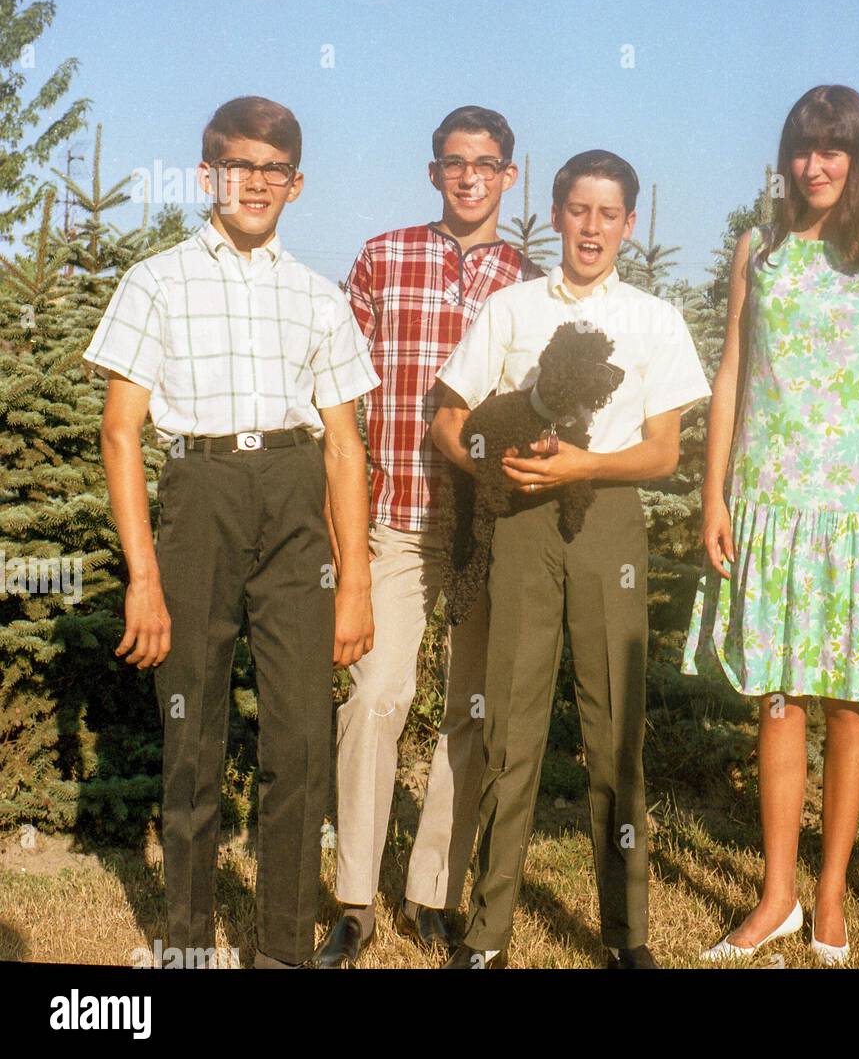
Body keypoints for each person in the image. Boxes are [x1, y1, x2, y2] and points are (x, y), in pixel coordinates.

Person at [84, 96, 380, 969]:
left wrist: (354, 585)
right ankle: (185, 943)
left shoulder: (318, 298)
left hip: (295, 507)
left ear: (297, 183)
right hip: (201, 498)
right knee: (194, 728)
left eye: (273, 169)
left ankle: (282, 950)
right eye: (238, 166)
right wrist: (144, 576)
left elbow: (343, 447)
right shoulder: (158, 280)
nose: (256, 183)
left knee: (298, 738)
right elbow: (121, 432)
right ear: (208, 172)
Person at [431, 150, 710, 969]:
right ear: (556, 215)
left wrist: (584, 465)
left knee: (613, 725)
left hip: (607, 522)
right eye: (578, 211)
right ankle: (487, 935)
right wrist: (488, 461)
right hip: (519, 519)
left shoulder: (655, 319)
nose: (591, 228)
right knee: (509, 729)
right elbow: (448, 417)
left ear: (628, 224)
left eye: (608, 214)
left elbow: (663, 455)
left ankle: (627, 938)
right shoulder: (511, 308)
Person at [683, 85, 859, 964]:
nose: (814, 165)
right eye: (802, 147)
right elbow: (730, 375)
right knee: (778, 701)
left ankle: (829, 897)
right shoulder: (761, 249)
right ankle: (776, 895)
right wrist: (712, 495)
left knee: (848, 704)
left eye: (833, 149)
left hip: (857, 514)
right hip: (765, 504)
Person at [315, 106, 542, 967]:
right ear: (434, 170)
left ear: (509, 176)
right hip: (397, 518)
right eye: (455, 162)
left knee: (470, 713)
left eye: (486, 164)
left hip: (489, 528)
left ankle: (433, 896)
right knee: (376, 698)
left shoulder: (530, 281)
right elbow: (336, 387)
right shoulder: (384, 257)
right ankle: (356, 899)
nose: (470, 176)